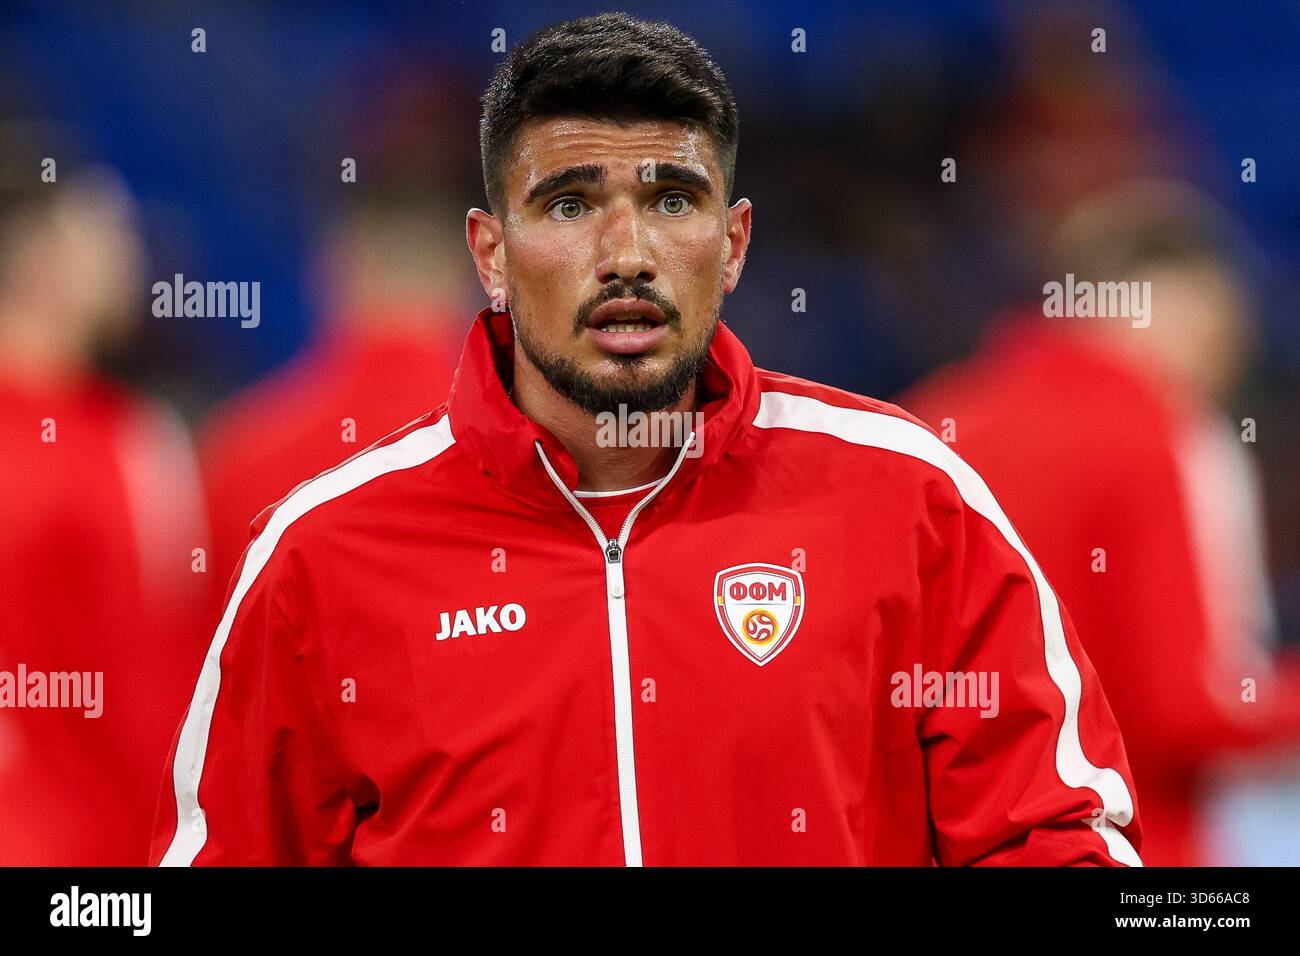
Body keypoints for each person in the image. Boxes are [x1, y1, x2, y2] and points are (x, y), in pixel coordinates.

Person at [151, 13, 1141, 867]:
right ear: (489, 255)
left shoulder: (910, 496)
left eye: (672, 201)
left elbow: (1055, 831)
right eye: (570, 205)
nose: (626, 254)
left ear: (736, 242)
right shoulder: (323, 552)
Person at [902, 182, 1300, 866]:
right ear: (1182, 308)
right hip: (1127, 849)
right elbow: (1194, 707)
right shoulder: (1164, 435)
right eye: (1223, 333)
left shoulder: (925, 421)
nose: (1223, 366)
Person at [0, 136, 208, 864]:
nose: (130, 252)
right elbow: (157, 689)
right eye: (107, 227)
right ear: (41, 255)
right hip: (95, 864)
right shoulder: (130, 446)